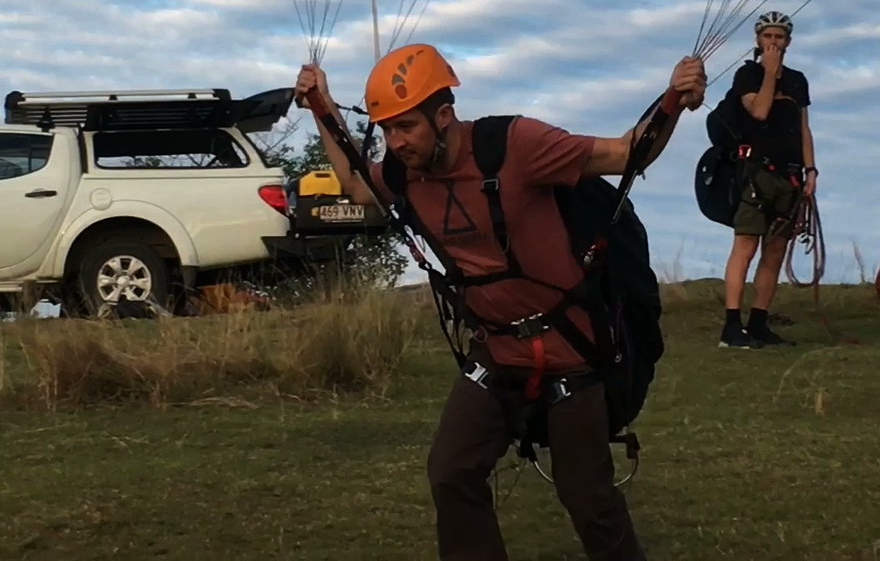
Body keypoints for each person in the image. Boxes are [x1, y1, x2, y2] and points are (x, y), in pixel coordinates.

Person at [294, 43, 706, 561]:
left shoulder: (516, 145)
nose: (395, 143)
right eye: (386, 130)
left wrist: (673, 96)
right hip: (495, 355)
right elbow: (356, 186)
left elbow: (625, 154)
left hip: (572, 355)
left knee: (587, 497)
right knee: (451, 471)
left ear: (443, 116)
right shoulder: (405, 175)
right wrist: (320, 107)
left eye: (406, 127)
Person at [719, 11, 817, 349]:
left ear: (788, 41)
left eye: (779, 37)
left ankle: (759, 323)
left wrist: (810, 171)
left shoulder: (798, 80)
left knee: (775, 251)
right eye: (768, 37)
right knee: (745, 245)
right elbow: (758, 111)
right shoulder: (748, 74)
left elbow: (804, 128)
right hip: (757, 172)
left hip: (789, 175)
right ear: (758, 40)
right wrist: (770, 74)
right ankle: (732, 326)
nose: (774, 42)